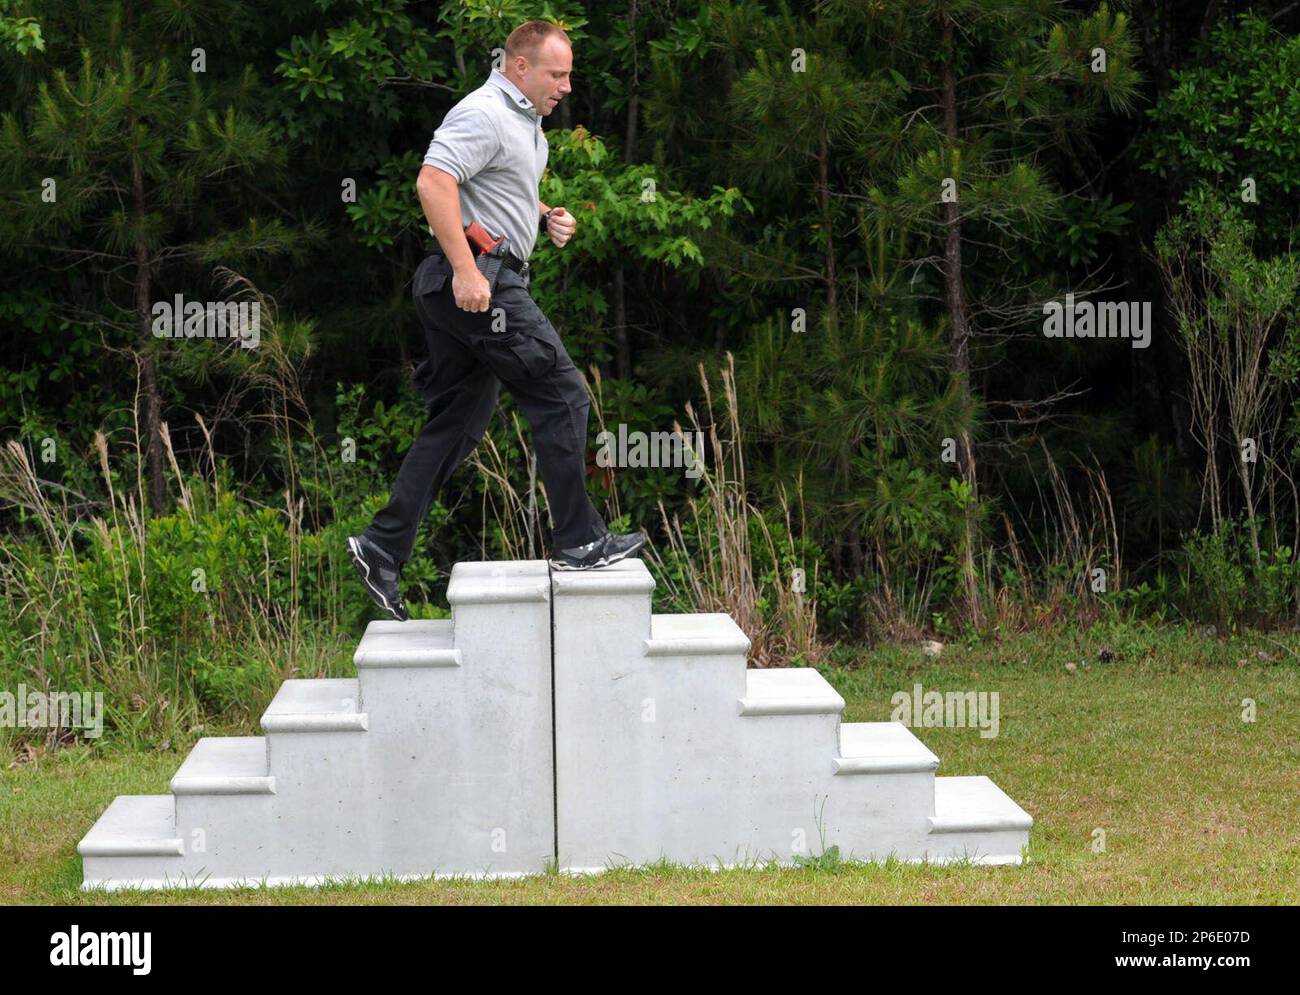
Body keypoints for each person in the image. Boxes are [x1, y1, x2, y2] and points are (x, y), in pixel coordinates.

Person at [348, 20, 644, 622]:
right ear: (519, 68)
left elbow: (492, 190)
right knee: (562, 394)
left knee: (459, 421)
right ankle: (579, 542)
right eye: (556, 74)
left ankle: (382, 547)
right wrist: (466, 270)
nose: (565, 87)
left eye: (568, 76)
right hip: (479, 283)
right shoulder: (484, 112)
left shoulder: (525, 127)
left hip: (470, 281)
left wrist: (544, 215)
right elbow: (434, 182)